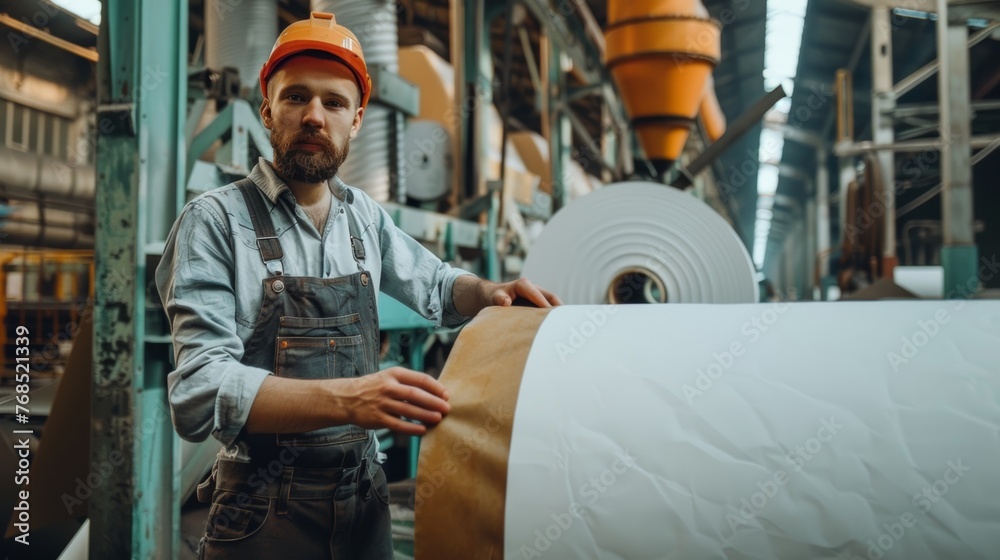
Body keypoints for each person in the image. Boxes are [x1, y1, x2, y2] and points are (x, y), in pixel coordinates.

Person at [155, 11, 561, 559]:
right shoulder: (215, 221)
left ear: (358, 119)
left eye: (334, 102)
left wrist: (490, 292)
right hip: (264, 513)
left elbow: (439, 286)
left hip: (365, 505)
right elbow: (199, 391)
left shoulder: (363, 217)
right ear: (267, 111)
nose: (315, 116)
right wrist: (349, 398)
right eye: (296, 97)